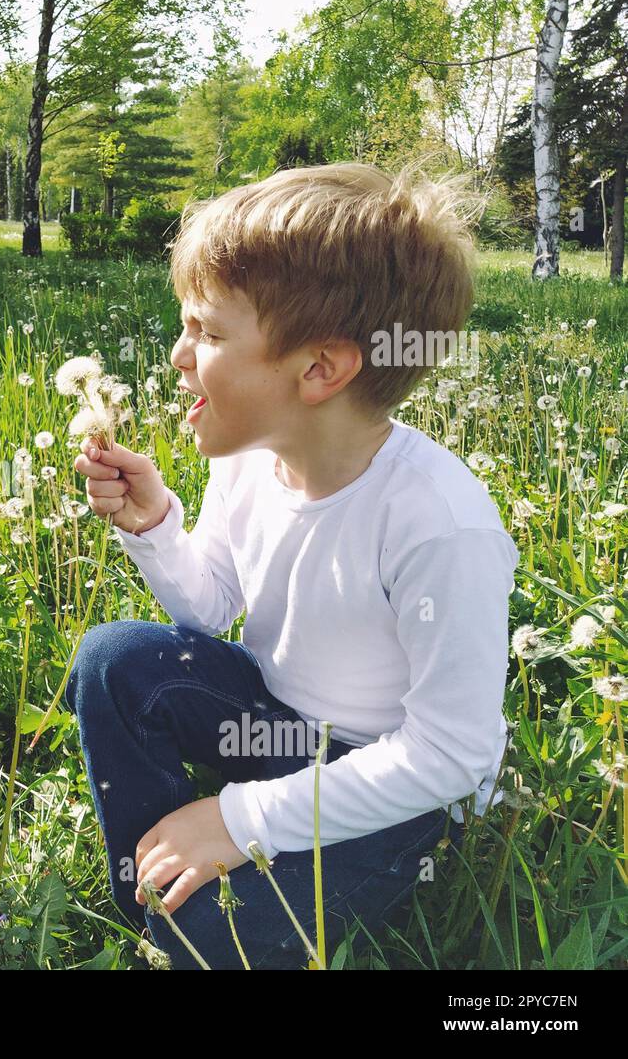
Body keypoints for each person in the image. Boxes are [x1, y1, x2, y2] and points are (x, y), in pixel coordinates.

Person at [67, 162, 519, 969]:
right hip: (276, 725)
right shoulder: (252, 459)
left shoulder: (437, 522)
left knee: (210, 943)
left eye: (206, 332)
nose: (178, 354)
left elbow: (453, 753)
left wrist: (243, 820)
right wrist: (156, 525)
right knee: (116, 659)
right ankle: (154, 886)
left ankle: (189, 910)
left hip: (392, 790)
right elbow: (206, 608)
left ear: (320, 369)